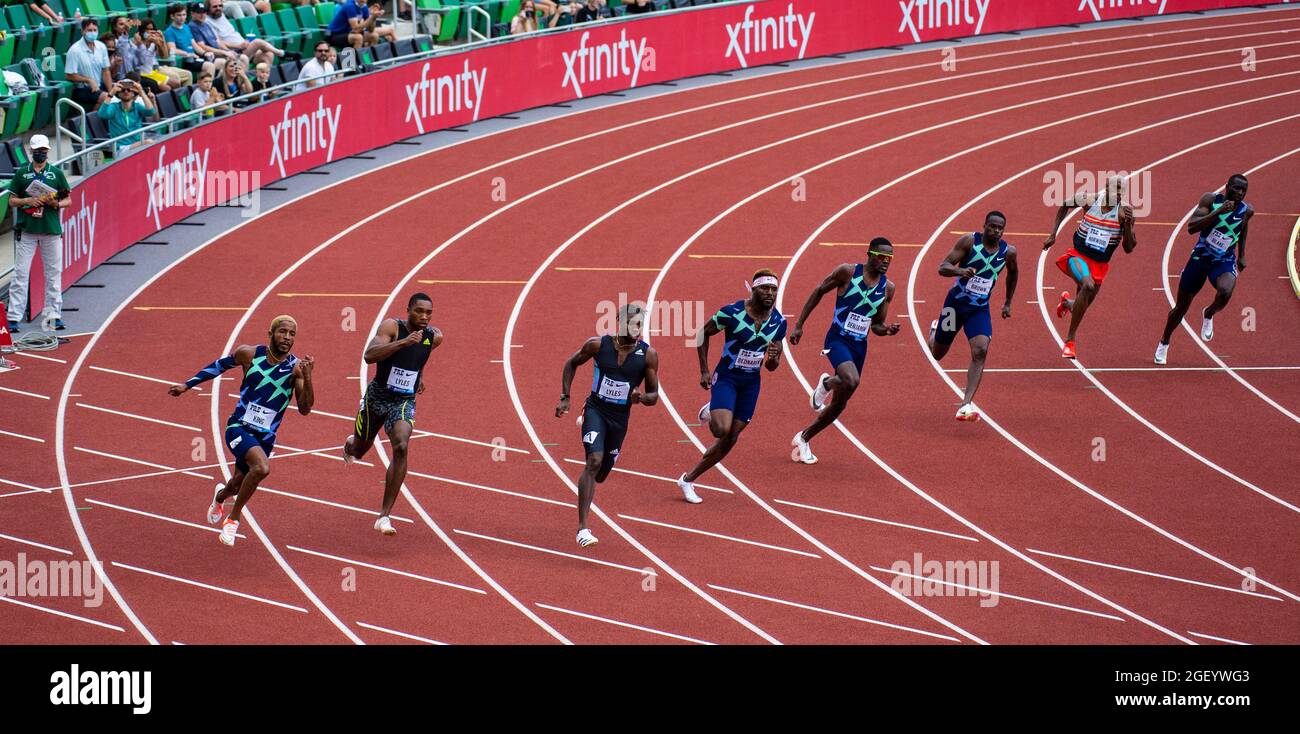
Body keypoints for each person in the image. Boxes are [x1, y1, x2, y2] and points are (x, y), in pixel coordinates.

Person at [168, 316, 315, 547]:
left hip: (265, 437)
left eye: (292, 334)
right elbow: (218, 366)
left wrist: (308, 377)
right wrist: (187, 385)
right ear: (271, 333)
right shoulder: (249, 354)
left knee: (238, 483)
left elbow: (305, 409)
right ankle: (233, 519)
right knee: (262, 468)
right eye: (283, 332)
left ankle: (220, 497)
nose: (287, 338)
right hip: (238, 427)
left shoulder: (296, 369)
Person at [676, 271, 786, 504]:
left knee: (731, 437)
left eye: (773, 289)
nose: (770, 293)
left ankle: (688, 479)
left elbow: (772, 366)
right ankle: (712, 409)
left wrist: (774, 358)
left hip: (751, 383)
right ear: (753, 290)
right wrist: (704, 370)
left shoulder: (779, 323)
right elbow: (702, 333)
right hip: (727, 377)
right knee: (720, 430)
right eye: (765, 288)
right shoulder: (732, 313)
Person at [788, 239, 902, 464]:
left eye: (889, 258)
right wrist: (800, 324)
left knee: (840, 403)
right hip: (837, 339)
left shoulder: (888, 288)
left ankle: (804, 438)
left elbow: (877, 325)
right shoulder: (847, 272)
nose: (886, 262)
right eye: (881, 256)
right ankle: (828, 383)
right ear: (869, 254)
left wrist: (886, 329)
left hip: (860, 346)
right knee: (851, 380)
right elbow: (819, 291)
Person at [556, 303, 658, 547]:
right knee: (593, 461)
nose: (636, 328)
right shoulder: (598, 345)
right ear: (619, 323)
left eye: (640, 324)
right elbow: (571, 363)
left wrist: (641, 398)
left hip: (620, 419)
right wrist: (565, 397)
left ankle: (599, 458)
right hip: (596, 409)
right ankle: (582, 529)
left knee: (601, 473)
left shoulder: (648, 355)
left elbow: (654, 395)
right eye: (632, 323)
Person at [342, 293, 443, 536]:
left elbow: (419, 358)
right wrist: (403, 342)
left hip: (403, 401)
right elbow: (369, 356)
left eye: (428, 313)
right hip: (377, 397)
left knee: (401, 446)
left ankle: (384, 516)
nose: (424, 317)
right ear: (408, 310)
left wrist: (418, 377)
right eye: (419, 311)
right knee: (359, 450)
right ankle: (350, 444)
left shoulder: (434, 337)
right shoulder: (392, 327)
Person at [927, 212, 1019, 421]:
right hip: (954, 305)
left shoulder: (1008, 252)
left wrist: (1007, 302)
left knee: (981, 350)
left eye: (1000, 228)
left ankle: (965, 404)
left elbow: (1013, 274)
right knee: (937, 353)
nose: (996, 231)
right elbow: (943, 267)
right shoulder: (969, 241)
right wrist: (960, 272)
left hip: (978, 309)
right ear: (984, 226)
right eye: (992, 226)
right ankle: (935, 331)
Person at [1156, 174, 1253, 364]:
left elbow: (1243, 228)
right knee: (1181, 308)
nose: (1240, 193)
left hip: (1223, 260)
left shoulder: (1247, 210)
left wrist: (1241, 255)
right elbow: (1192, 228)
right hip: (1200, 258)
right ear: (1227, 187)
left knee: (1225, 292)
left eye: (1244, 190)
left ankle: (1208, 313)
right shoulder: (1210, 200)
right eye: (1236, 188)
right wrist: (1218, 212)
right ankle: (1164, 342)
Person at [1042, 175, 1136, 359]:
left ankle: (1067, 303)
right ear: (1106, 186)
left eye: (1122, 190)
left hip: (1100, 264)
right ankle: (1069, 342)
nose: (1119, 192)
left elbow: (1129, 249)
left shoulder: (1125, 213)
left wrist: (1128, 227)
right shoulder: (1089, 199)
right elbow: (1064, 205)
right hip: (1078, 256)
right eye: (1116, 187)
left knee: (1082, 304)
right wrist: (1053, 234)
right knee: (1088, 285)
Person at [5, 135, 71, 333]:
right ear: (32, 151)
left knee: (53, 274)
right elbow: (11, 200)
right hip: (27, 230)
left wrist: (56, 203)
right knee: (20, 274)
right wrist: (28, 201)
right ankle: (13, 318)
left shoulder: (56, 173)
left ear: (48, 151)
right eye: (37, 150)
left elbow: (68, 199)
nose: (40, 153)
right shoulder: (22, 174)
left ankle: (54, 316)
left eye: (43, 150)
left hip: (50, 229)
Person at [206, 0, 290, 67]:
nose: (218, 8)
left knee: (268, 54)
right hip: (236, 51)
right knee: (257, 42)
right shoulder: (207, 22)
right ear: (208, 8)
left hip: (244, 47)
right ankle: (281, 53)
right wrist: (238, 46)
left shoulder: (221, 15)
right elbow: (219, 42)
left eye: (220, 6)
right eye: (215, 6)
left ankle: (264, 82)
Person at [95, 79, 156, 153]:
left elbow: (151, 111)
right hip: (120, 148)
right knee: (149, 142)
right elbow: (102, 114)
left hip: (137, 145)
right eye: (123, 90)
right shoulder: (114, 107)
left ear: (133, 93)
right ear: (118, 94)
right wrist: (111, 93)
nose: (126, 91)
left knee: (154, 142)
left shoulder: (137, 106)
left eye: (129, 90)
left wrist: (141, 92)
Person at [66, 19, 112, 111]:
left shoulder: (101, 46)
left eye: (95, 30)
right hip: (82, 89)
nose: (93, 33)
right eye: (89, 30)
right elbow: (69, 75)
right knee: (106, 98)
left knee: (122, 93)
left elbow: (106, 71)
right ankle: (89, 123)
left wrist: (111, 91)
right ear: (83, 31)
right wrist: (88, 80)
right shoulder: (74, 50)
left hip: (99, 86)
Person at [124, 20, 181, 93]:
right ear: (141, 30)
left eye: (152, 29)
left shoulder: (153, 42)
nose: (150, 32)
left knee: (176, 83)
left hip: (151, 72)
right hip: (140, 74)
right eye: (147, 29)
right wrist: (146, 44)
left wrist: (162, 41)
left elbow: (165, 56)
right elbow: (141, 62)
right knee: (167, 88)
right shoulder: (135, 42)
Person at [164, 4, 218, 78]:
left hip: (195, 57)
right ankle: (207, 88)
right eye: (179, 15)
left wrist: (205, 53)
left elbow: (194, 44)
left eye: (184, 15)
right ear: (172, 16)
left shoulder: (186, 27)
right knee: (210, 66)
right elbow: (172, 49)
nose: (182, 18)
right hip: (185, 60)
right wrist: (187, 54)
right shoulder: (169, 32)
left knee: (222, 63)